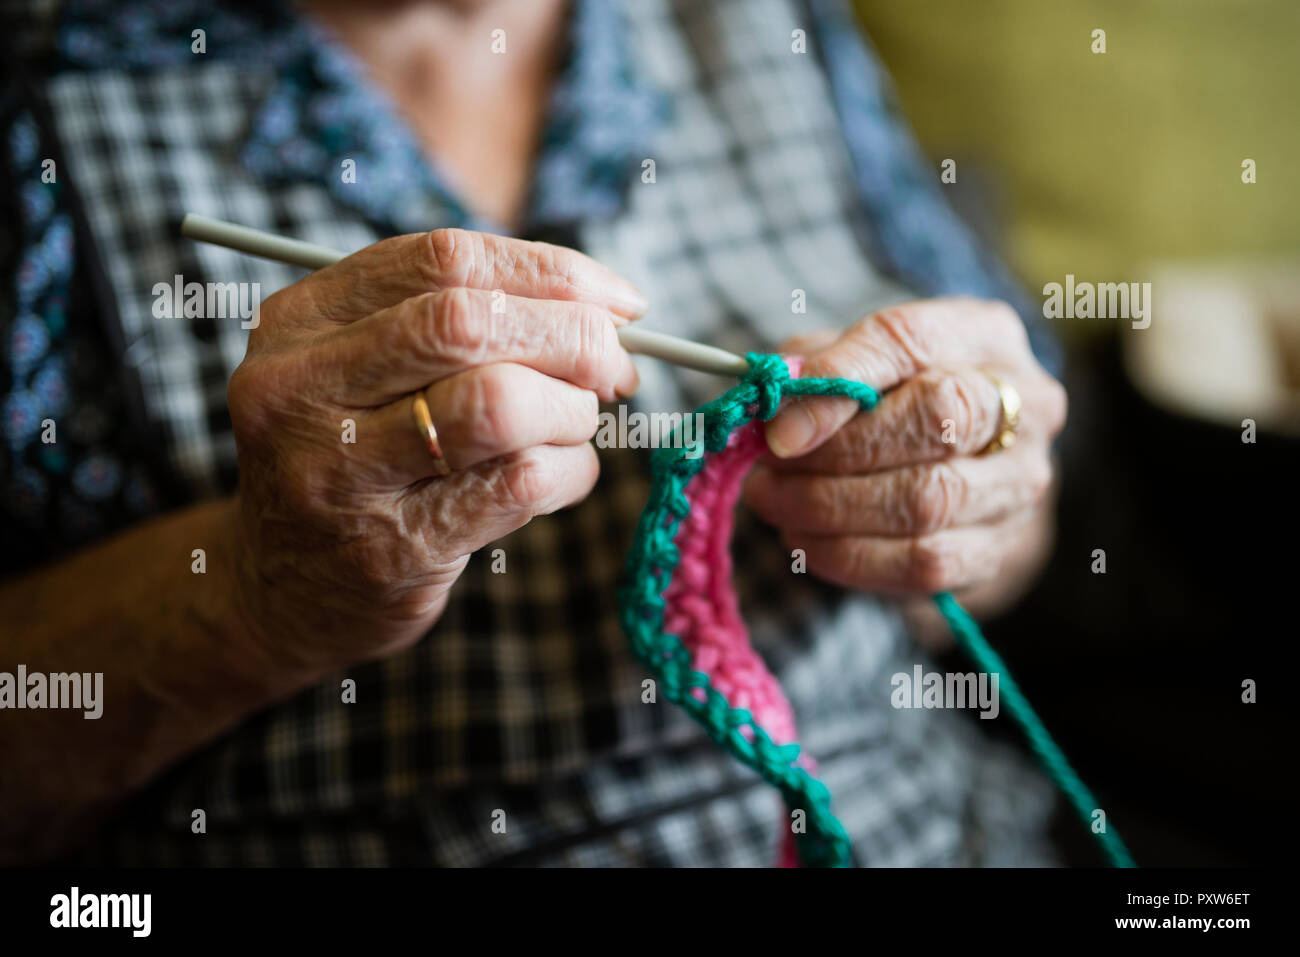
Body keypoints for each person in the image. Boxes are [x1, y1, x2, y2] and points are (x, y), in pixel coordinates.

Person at [1, 0, 1067, 866]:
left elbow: (1011, 533)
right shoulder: (50, 89)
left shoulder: (771, 24)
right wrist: (252, 595)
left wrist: (966, 492)